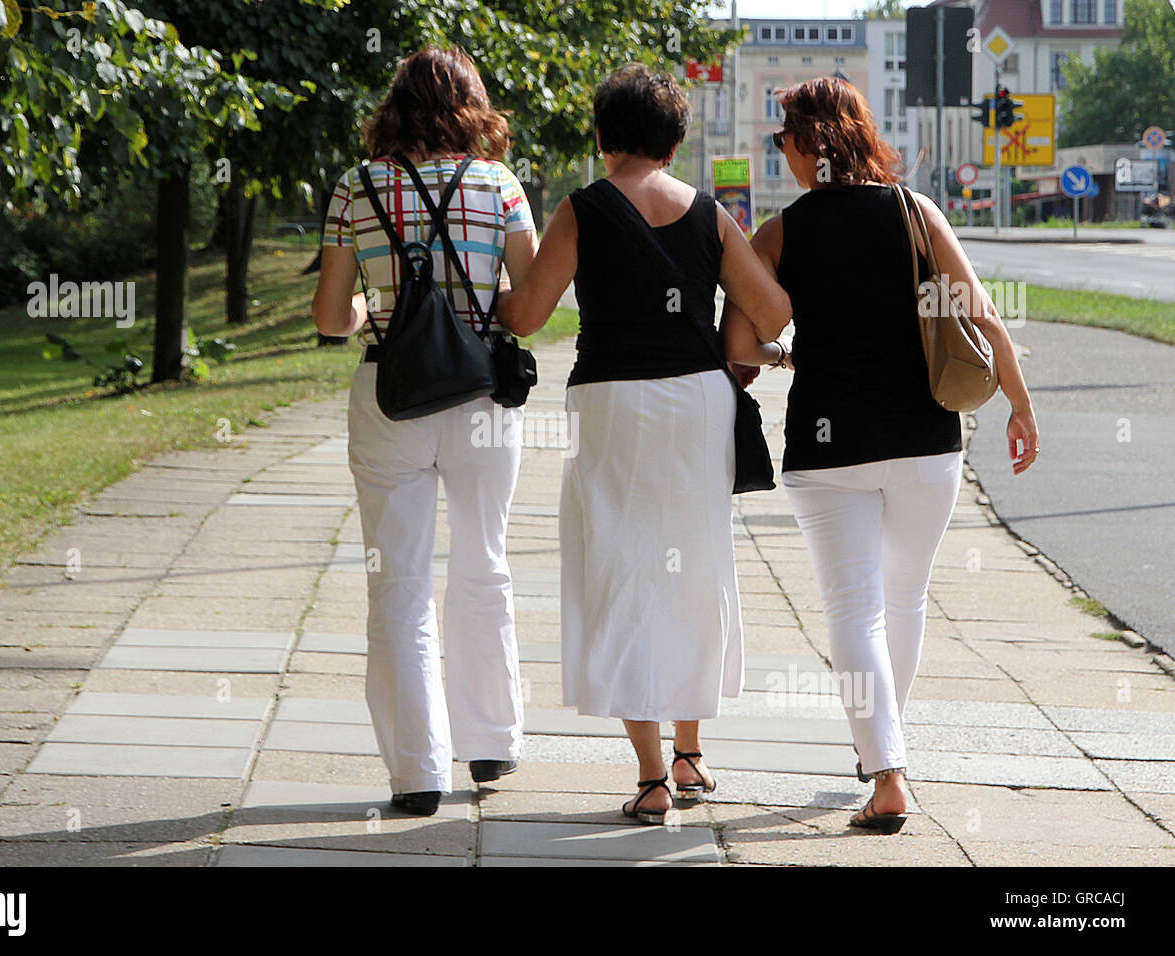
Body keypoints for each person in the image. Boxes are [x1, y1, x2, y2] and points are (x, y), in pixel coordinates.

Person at [723, 76, 1040, 833]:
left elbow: (738, 344)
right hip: (927, 440)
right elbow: (980, 312)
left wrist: (788, 355)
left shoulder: (782, 233)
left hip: (828, 448)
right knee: (903, 599)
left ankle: (887, 769)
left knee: (852, 609)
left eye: (784, 140)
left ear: (809, 142)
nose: (783, 154)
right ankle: (885, 754)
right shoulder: (914, 212)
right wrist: (1021, 404)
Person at [498, 64, 791, 824]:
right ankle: (691, 756)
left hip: (611, 402)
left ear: (602, 137)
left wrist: (477, 291)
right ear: (674, 139)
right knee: (695, 566)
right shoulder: (709, 214)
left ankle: (653, 774)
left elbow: (528, 314)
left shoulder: (582, 210)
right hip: (697, 401)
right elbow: (772, 306)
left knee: (622, 569)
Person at [311, 46, 538, 816]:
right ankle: (492, 741)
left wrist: (380, 308)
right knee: (485, 563)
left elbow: (330, 318)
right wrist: (469, 304)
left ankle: (416, 771)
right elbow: (525, 305)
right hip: (480, 395)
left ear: (395, 106)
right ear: (471, 106)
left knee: (398, 585)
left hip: (390, 393)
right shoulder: (500, 186)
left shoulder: (355, 186)